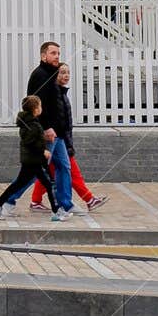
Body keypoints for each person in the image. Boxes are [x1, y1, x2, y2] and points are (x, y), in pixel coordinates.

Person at [29, 62, 106, 212]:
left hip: (60, 140)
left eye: (68, 72)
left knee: (50, 172)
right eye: (62, 72)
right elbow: (60, 122)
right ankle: (88, 199)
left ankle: (35, 201)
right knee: (69, 171)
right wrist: (65, 143)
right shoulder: (55, 95)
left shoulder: (61, 94)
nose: (66, 76)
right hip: (57, 140)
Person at [0, 95, 68, 222]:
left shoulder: (29, 123)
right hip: (34, 161)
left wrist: (42, 138)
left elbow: (33, 139)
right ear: (35, 109)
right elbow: (30, 143)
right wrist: (43, 151)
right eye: (40, 106)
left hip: (31, 161)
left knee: (21, 184)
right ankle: (57, 212)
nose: (41, 108)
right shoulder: (33, 125)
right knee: (49, 184)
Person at [18, 41, 74, 212]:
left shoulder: (52, 74)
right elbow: (38, 106)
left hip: (58, 133)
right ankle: (6, 201)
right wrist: (46, 127)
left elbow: (56, 105)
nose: (57, 56)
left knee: (64, 167)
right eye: (53, 53)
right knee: (35, 171)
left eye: (58, 53)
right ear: (44, 56)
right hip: (48, 133)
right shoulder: (41, 75)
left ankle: (66, 204)